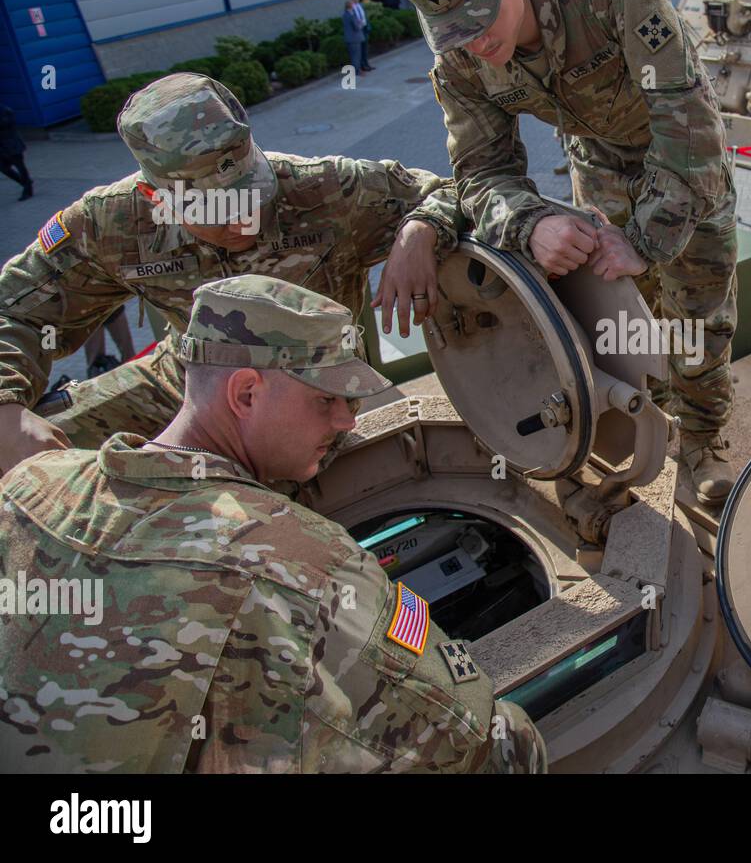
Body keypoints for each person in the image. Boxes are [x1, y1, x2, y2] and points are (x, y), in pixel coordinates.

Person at [0, 275, 546, 773]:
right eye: (326, 399)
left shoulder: (27, 487)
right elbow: (472, 742)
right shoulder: (303, 565)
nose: (347, 420)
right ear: (245, 393)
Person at [387, 0, 740, 505]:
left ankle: (702, 441)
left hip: (682, 162)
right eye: (454, 30)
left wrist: (646, 241)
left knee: (696, 314)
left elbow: (688, 120)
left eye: (480, 14)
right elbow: (482, 170)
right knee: (619, 314)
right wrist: (532, 222)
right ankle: (640, 421)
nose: (477, 40)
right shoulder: (460, 61)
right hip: (599, 169)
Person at [0, 72, 466, 476]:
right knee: (37, 463)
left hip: (309, 395)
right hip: (183, 386)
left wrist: (420, 230)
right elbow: (14, 310)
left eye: (251, 195)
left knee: (269, 523)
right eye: (215, 210)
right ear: (155, 195)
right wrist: (7, 411)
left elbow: (460, 192)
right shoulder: (112, 223)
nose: (243, 219)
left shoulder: (324, 189)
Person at [0, 103, 34, 201]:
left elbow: (6, 123)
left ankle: (28, 190)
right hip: (2, 148)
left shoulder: (5, 110)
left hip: (12, 145)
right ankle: (25, 182)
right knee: (4, 168)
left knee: (21, 168)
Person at [343, 0, 375, 74]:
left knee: (365, 48)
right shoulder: (350, 11)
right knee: (358, 51)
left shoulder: (361, 6)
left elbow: (364, 16)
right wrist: (359, 24)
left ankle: (366, 64)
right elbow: (353, 22)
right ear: (352, 0)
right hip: (356, 31)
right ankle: (360, 67)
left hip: (364, 29)